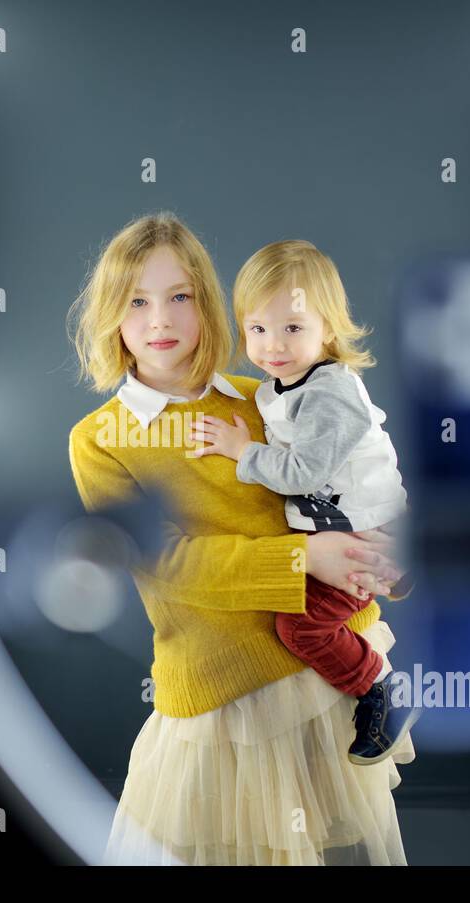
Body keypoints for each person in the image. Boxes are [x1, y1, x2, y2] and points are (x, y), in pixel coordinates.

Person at [66, 211, 414, 865]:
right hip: (218, 693)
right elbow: (165, 561)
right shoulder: (100, 440)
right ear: (112, 314)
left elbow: (349, 478)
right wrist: (304, 556)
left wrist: (381, 548)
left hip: (321, 676)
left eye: (179, 297)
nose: (160, 320)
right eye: (137, 301)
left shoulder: (269, 398)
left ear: (208, 305)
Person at [189, 239, 421, 766]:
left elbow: (302, 472)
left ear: (329, 329)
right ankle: (397, 574)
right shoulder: (281, 386)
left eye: (293, 328)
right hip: (348, 522)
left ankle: (382, 687)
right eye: (258, 329)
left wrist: (241, 450)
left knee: (300, 627)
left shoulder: (329, 393)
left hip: (368, 528)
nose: (273, 344)